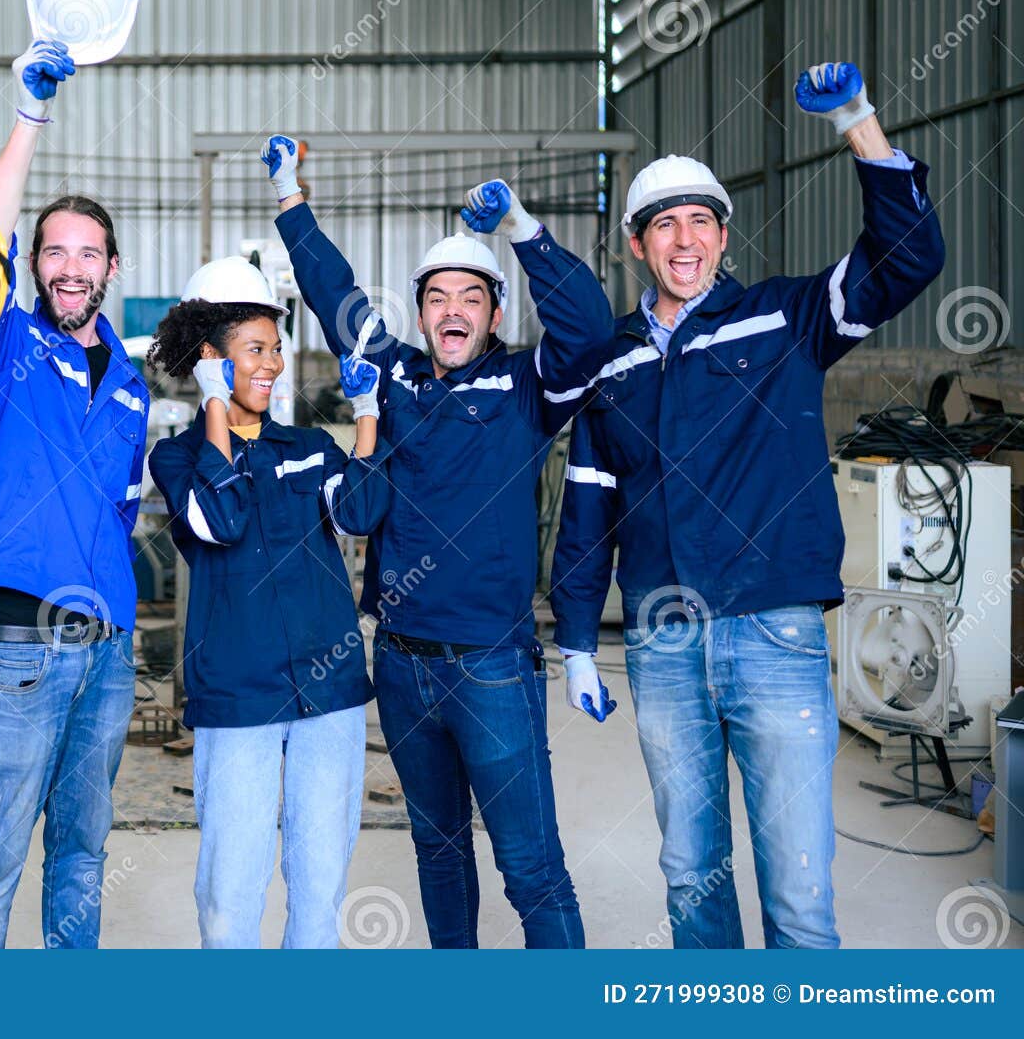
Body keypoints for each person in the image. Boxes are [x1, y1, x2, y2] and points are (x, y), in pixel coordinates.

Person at [551, 61, 946, 949]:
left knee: (799, 892)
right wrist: (577, 640)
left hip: (775, 636)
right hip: (661, 641)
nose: (683, 240)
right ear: (635, 245)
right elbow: (588, 508)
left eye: (700, 222)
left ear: (724, 237)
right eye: (663, 226)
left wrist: (858, 122)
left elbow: (909, 257)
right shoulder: (611, 363)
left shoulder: (787, 320)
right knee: (692, 880)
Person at [262, 136, 615, 948]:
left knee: (530, 866)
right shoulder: (394, 377)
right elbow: (331, 290)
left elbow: (590, 327)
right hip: (404, 664)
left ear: (495, 312)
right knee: (439, 851)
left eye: (470, 298)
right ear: (419, 312)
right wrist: (289, 193)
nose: (452, 312)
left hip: (491, 666)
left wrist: (523, 228)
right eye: (436, 298)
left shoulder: (531, 386)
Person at [0, 40, 149, 949]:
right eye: (53, 252)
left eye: (89, 253)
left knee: (81, 855)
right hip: (21, 650)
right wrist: (31, 115)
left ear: (113, 267)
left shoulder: (134, 384)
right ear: (34, 266)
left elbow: (120, 511)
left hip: (106, 653)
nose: (70, 266)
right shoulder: (5, 349)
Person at [146, 258, 389, 948]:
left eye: (277, 348)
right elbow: (219, 520)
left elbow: (361, 511)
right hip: (239, 696)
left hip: (329, 691)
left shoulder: (309, 447)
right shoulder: (178, 458)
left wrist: (366, 414)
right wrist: (216, 406)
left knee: (320, 883)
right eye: (257, 350)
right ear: (210, 359)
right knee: (232, 885)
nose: (275, 365)